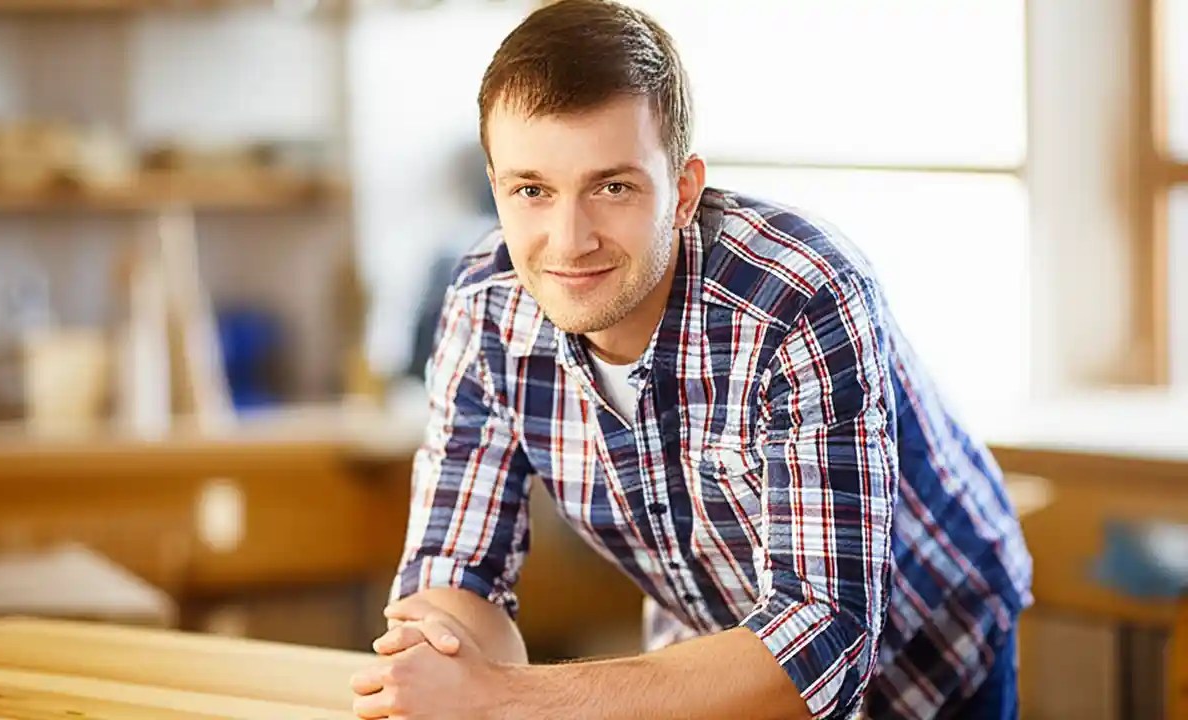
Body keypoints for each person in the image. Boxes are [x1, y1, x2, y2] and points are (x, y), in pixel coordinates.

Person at [350, 1, 1032, 718]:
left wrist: (505, 696)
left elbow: (821, 640)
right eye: (532, 191)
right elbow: (455, 575)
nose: (568, 240)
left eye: (612, 187)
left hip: (932, 636)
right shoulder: (485, 307)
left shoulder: (801, 299)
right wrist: (434, 661)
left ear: (682, 190)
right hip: (712, 649)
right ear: (496, 187)